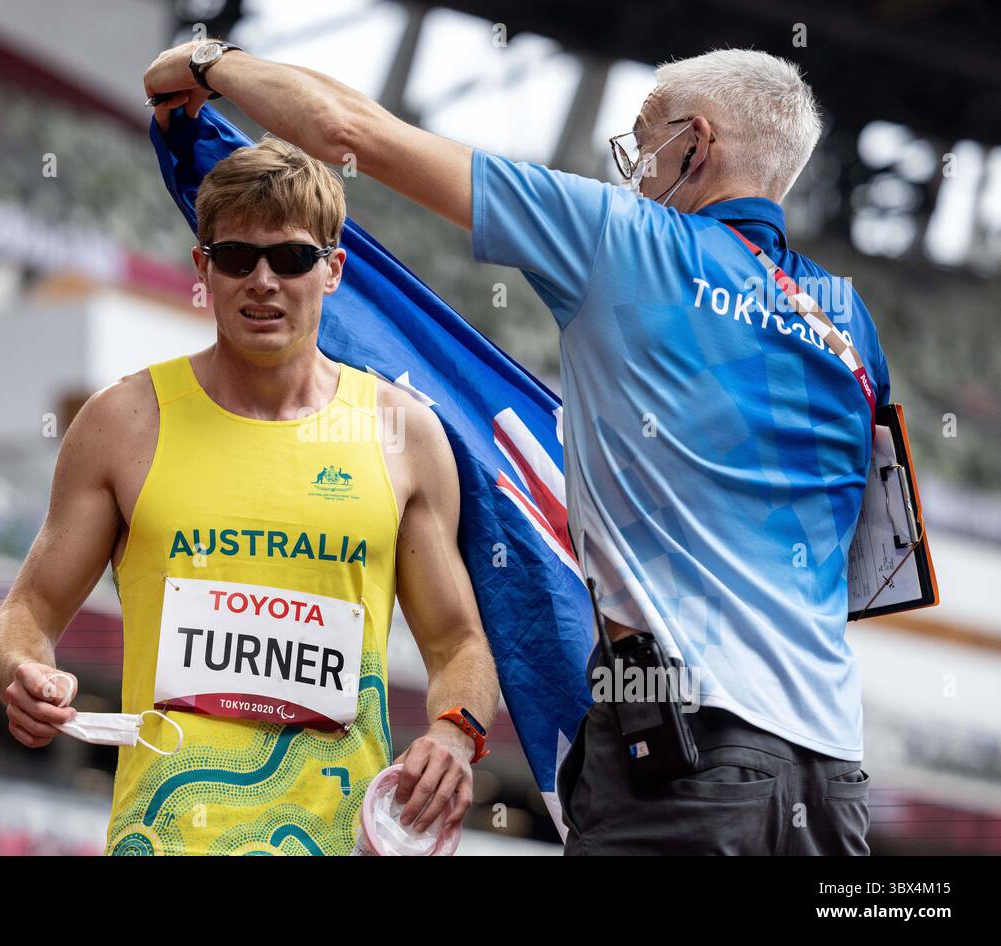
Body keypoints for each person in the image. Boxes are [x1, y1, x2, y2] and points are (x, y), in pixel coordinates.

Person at [145, 42, 889, 855]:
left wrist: (211, 63)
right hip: (832, 777)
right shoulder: (847, 321)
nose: (632, 165)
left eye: (644, 140)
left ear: (696, 144)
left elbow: (347, 128)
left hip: (688, 763)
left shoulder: (622, 238)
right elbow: (869, 546)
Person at [0, 135, 499, 855]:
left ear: (333, 271)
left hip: (337, 840)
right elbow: (27, 612)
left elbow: (459, 642)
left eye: (291, 259)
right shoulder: (123, 423)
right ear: (204, 268)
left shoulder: (402, 436)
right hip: (162, 839)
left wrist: (453, 730)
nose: (263, 280)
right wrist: (25, 671)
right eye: (236, 258)